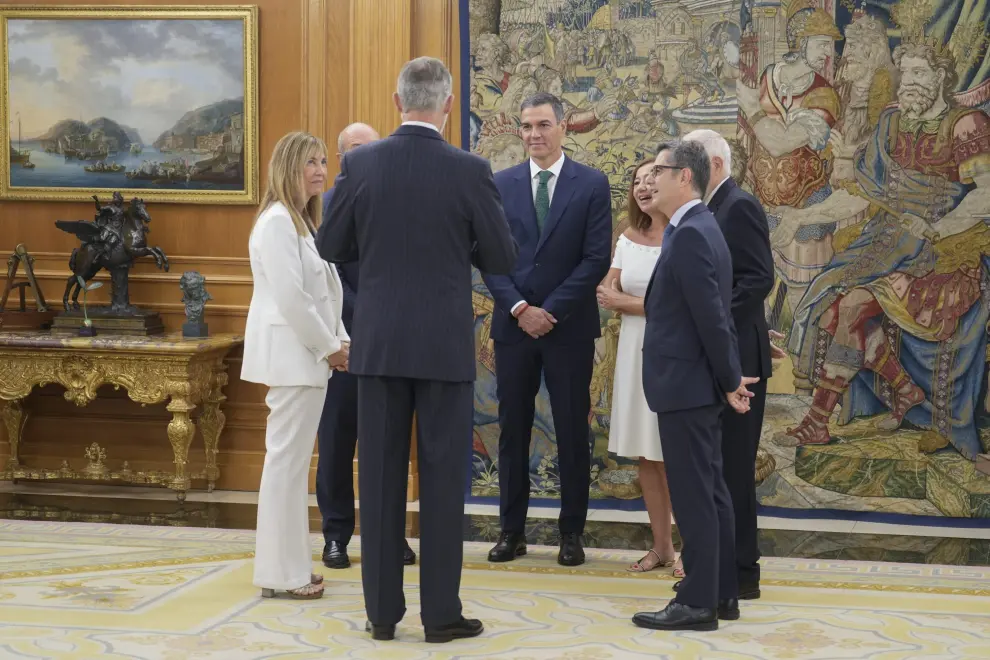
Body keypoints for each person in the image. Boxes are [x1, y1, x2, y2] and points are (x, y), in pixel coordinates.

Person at [321, 56, 516, 643]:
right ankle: (441, 616)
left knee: (378, 482)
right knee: (439, 480)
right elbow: (502, 257)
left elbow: (332, 245)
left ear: (396, 100)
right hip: (443, 350)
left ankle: (381, 616)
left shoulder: (359, 164)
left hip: (378, 346)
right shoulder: (471, 169)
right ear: (448, 104)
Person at [480, 92, 611, 568]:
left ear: (563, 128)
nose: (534, 134)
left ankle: (571, 534)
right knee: (511, 430)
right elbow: (489, 257)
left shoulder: (592, 183)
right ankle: (510, 531)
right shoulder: (500, 183)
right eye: (526, 125)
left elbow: (597, 257)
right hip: (514, 329)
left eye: (543, 125)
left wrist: (548, 311)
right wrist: (519, 308)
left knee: (573, 431)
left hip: (568, 328)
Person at [632, 140, 758, 632]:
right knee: (713, 493)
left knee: (695, 497)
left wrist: (729, 379)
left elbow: (711, 317)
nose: (651, 180)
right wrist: (725, 379)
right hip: (694, 384)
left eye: (660, 170)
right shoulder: (699, 227)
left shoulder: (689, 233)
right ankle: (721, 593)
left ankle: (697, 602)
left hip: (685, 386)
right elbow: (714, 316)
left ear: (684, 177)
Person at [241, 131, 351, 600]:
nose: (320, 170)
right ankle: (281, 574)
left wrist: (337, 338)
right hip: (294, 359)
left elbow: (324, 293)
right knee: (284, 468)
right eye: (310, 161)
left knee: (288, 467)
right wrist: (329, 346)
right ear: (287, 166)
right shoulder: (277, 223)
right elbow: (292, 299)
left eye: (324, 160)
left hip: (305, 359)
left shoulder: (301, 223)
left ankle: (286, 569)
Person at [315, 122, 417, 571]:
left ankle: (390, 538)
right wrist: (363, 323)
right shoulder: (326, 205)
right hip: (343, 345)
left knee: (389, 447)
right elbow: (327, 277)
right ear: (342, 159)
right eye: (355, 151)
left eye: (371, 150)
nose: (364, 159)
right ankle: (335, 537)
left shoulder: (400, 200)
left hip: (392, 346)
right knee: (337, 446)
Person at [683, 129, 774, 600]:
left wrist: (709, 315)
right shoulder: (708, 209)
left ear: (714, 164)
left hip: (741, 357)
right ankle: (725, 570)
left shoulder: (738, 206)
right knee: (717, 469)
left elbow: (759, 278)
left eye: (689, 160)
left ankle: (742, 574)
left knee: (735, 470)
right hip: (721, 355)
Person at [595, 160, 680, 576]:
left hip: (673, 353)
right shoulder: (627, 237)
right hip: (634, 352)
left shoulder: (685, 236)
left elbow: (683, 307)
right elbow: (607, 288)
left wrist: (630, 304)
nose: (643, 186)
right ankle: (662, 547)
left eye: (651, 178)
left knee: (676, 455)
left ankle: (692, 549)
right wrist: (623, 298)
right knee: (647, 456)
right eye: (636, 181)